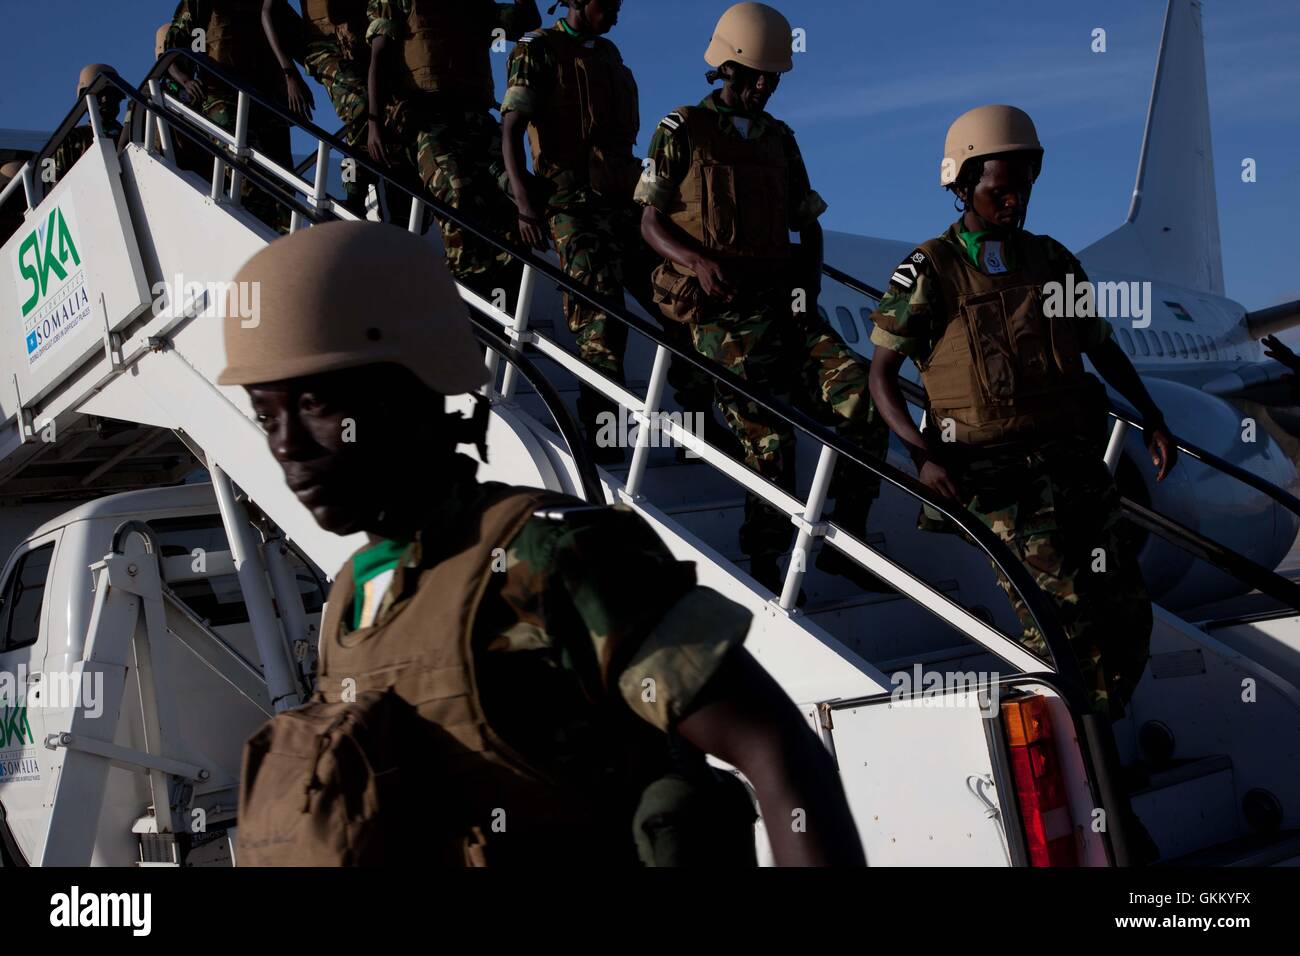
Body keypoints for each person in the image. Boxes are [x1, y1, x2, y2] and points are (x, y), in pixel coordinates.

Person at [218, 220, 865, 866]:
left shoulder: (549, 555)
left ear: (414, 386)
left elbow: (777, 752)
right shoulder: (352, 596)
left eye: (318, 405)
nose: (287, 447)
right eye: (266, 416)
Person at [867, 104, 1178, 860]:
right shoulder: (931, 269)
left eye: (1023, 189)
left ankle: (1100, 751)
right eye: (1000, 190)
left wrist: (1152, 414)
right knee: (1065, 630)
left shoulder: (1053, 261)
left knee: (1128, 616)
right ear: (965, 185)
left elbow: (1100, 347)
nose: (1014, 202)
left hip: (1070, 466)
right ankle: (1107, 805)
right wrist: (918, 453)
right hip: (997, 482)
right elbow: (880, 373)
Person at [637, 2, 890, 596]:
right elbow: (649, 221)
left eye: (770, 80)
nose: (760, 88)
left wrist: (809, 281)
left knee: (865, 402)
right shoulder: (683, 130)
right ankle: (766, 564)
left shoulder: (780, 140)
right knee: (768, 435)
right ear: (723, 70)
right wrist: (697, 262)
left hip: (783, 305)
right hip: (720, 311)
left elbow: (808, 222)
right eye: (750, 77)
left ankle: (845, 541)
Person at [501, 0, 644, 463]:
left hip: (620, 201)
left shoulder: (608, 54)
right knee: (598, 319)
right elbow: (512, 129)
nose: (617, 14)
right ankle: (604, 444)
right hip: (570, 207)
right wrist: (526, 206)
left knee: (673, 305)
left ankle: (695, 423)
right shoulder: (537, 49)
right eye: (610, 4)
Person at [365, 0, 540, 293]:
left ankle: (503, 313)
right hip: (427, 117)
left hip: (476, 117)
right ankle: (468, 301)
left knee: (512, 207)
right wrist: (373, 123)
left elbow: (524, 23)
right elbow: (378, 57)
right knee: (457, 194)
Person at [163, 0, 304, 229]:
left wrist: (292, 78)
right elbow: (172, 49)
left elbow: (299, 40)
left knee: (284, 182)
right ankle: (258, 234)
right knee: (246, 171)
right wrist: (186, 81)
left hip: (266, 99)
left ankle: (282, 243)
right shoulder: (199, 4)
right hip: (222, 96)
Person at [263, 0, 376, 217]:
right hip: (322, 47)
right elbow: (268, 12)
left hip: (360, 44)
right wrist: (290, 74)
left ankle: (376, 198)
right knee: (360, 106)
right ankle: (353, 194)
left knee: (376, 116)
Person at [50, 65, 124, 184]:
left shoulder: (130, 135)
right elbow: (49, 184)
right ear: (85, 100)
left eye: (112, 95)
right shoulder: (72, 138)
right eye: (99, 95)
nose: (105, 100)